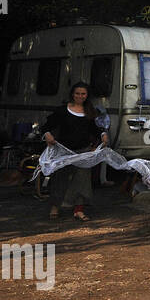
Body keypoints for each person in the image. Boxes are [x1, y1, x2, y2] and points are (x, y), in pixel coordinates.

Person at [41, 81, 107, 221]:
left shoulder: (89, 112)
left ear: (87, 95)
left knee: (82, 181)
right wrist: (48, 135)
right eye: (77, 93)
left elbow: (95, 129)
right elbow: (46, 126)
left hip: (82, 150)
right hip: (63, 150)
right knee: (60, 179)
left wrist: (102, 135)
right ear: (72, 94)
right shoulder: (62, 110)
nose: (80, 96)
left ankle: (78, 210)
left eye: (83, 94)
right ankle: (55, 207)